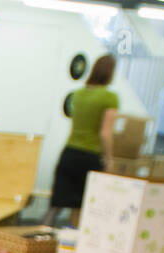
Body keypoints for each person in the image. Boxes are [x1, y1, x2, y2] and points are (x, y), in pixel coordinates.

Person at [45, 54, 117, 228]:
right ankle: (74, 246)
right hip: (90, 157)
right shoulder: (109, 97)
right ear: (110, 73)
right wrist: (109, 160)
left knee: (56, 205)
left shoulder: (78, 94)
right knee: (82, 207)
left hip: (69, 153)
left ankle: (39, 240)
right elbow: (105, 133)